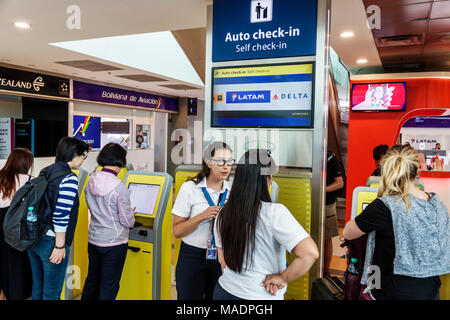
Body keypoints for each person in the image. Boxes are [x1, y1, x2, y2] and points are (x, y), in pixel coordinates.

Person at [343, 144, 449, 300]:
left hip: (392, 290)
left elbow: (348, 232)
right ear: (417, 171)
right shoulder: (436, 203)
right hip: (431, 288)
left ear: (386, 171)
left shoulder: (385, 206)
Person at [213, 149, 319, 300]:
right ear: (266, 180)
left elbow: (222, 261)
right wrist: (283, 278)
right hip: (261, 294)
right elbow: (310, 253)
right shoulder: (274, 213)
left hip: (224, 291)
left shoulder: (223, 213)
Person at [28, 137, 89, 300]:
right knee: (52, 292)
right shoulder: (69, 179)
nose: (83, 160)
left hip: (35, 239)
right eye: (84, 155)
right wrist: (60, 246)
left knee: (38, 288)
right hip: (52, 243)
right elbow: (61, 216)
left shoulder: (46, 171)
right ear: (75, 154)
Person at [172, 142, 233, 300]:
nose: (226, 166)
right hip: (192, 256)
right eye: (220, 161)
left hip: (221, 256)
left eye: (229, 161)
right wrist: (201, 216)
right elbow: (177, 231)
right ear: (208, 162)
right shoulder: (190, 188)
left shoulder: (232, 191)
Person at [81, 143, 135, 300]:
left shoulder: (90, 180)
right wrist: (132, 215)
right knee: (109, 285)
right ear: (120, 161)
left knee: (92, 281)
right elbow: (127, 221)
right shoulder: (119, 187)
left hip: (94, 239)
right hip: (114, 242)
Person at [0, 148, 34, 300]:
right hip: (18, 226)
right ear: (27, 163)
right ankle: (19, 294)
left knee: (3, 260)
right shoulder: (30, 181)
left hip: (1, 223)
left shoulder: (0, 177)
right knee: (20, 261)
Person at [324, 151, 344, 272]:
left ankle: (326, 270)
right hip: (307, 201)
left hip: (327, 204)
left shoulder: (329, 156)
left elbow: (340, 183)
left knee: (327, 239)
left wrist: (322, 189)